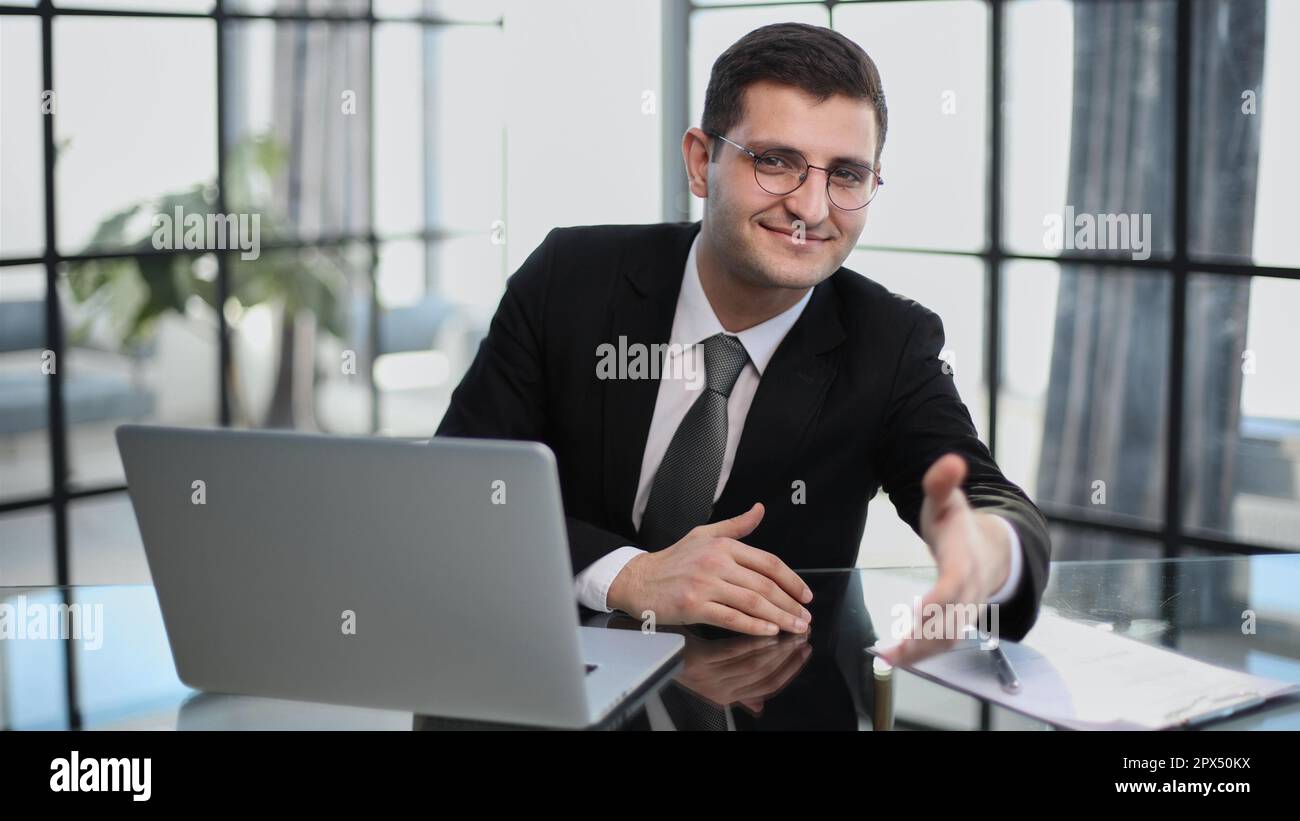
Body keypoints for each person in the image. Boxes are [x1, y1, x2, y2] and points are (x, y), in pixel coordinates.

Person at [437, 22, 1050, 665]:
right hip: (538, 679)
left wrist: (988, 554)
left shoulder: (888, 341)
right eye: (775, 162)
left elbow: (986, 496)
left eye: (846, 175)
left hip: (768, 700)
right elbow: (460, 490)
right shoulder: (570, 278)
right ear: (702, 162)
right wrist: (626, 576)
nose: (812, 208)